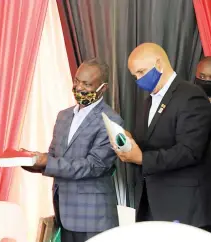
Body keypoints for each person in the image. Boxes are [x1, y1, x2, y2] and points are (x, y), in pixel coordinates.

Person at [24, 58, 123, 242]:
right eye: (77, 80)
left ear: (103, 88)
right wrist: (31, 162)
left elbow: (94, 166)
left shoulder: (111, 121)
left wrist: (47, 161)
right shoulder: (63, 116)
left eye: (86, 84)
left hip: (94, 218)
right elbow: (54, 158)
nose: (78, 87)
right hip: (64, 212)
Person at [115, 43, 211, 229]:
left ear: (159, 64)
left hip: (183, 208)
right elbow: (150, 143)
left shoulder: (190, 95)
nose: (138, 80)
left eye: (141, 72)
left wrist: (142, 158)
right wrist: (130, 143)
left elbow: (189, 151)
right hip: (152, 204)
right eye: (135, 75)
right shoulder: (149, 101)